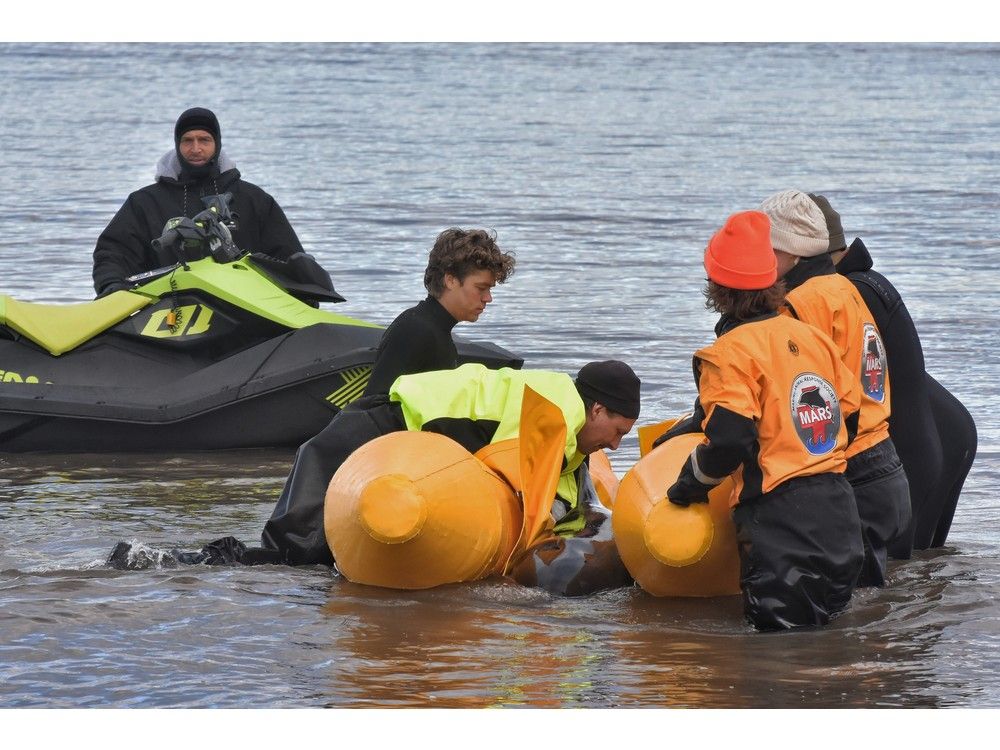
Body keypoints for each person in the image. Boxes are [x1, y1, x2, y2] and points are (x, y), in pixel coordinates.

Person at [113, 360, 642, 596]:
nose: (617, 444)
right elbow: (513, 482)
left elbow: (560, 488)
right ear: (597, 409)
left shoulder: (569, 433)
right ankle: (158, 561)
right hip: (367, 436)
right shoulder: (556, 407)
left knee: (320, 564)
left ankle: (178, 563)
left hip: (385, 440)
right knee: (295, 554)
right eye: (619, 430)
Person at [665, 210, 865, 631]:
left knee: (777, 661)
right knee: (832, 650)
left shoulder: (728, 354)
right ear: (774, 283)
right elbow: (849, 415)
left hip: (782, 524)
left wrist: (690, 485)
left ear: (717, 289)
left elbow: (730, 440)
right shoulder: (812, 338)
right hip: (842, 515)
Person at [760, 189, 911, 587]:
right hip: (885, 465)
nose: (757, 260)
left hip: (852, 472)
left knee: (832, 602)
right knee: (867, 605)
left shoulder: (799, 304)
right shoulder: (844, 288)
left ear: (792, 253)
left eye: (766, 249)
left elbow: (792, 389)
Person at [810, 194, 977, 550]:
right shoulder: (868, 281)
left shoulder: (844, 294)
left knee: (895, 581)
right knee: (920, 577)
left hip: (912, 448)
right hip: (944, 430)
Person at [93, 107, 315, 297]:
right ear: (177, 146)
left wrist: (304, 288)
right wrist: (112, 285)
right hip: (168, 307)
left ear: (217, 144)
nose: (196, 149)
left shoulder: (253, 199)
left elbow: (287, 255)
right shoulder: (145, 201)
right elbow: (113, 252)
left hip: (246, 305)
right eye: (187, 141)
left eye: (204, 140)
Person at [362, 227, 516, 396]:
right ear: (450, 280)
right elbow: (375, 405)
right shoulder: (414, 330)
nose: (488, 298)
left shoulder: (436, 331)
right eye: (481, 288)